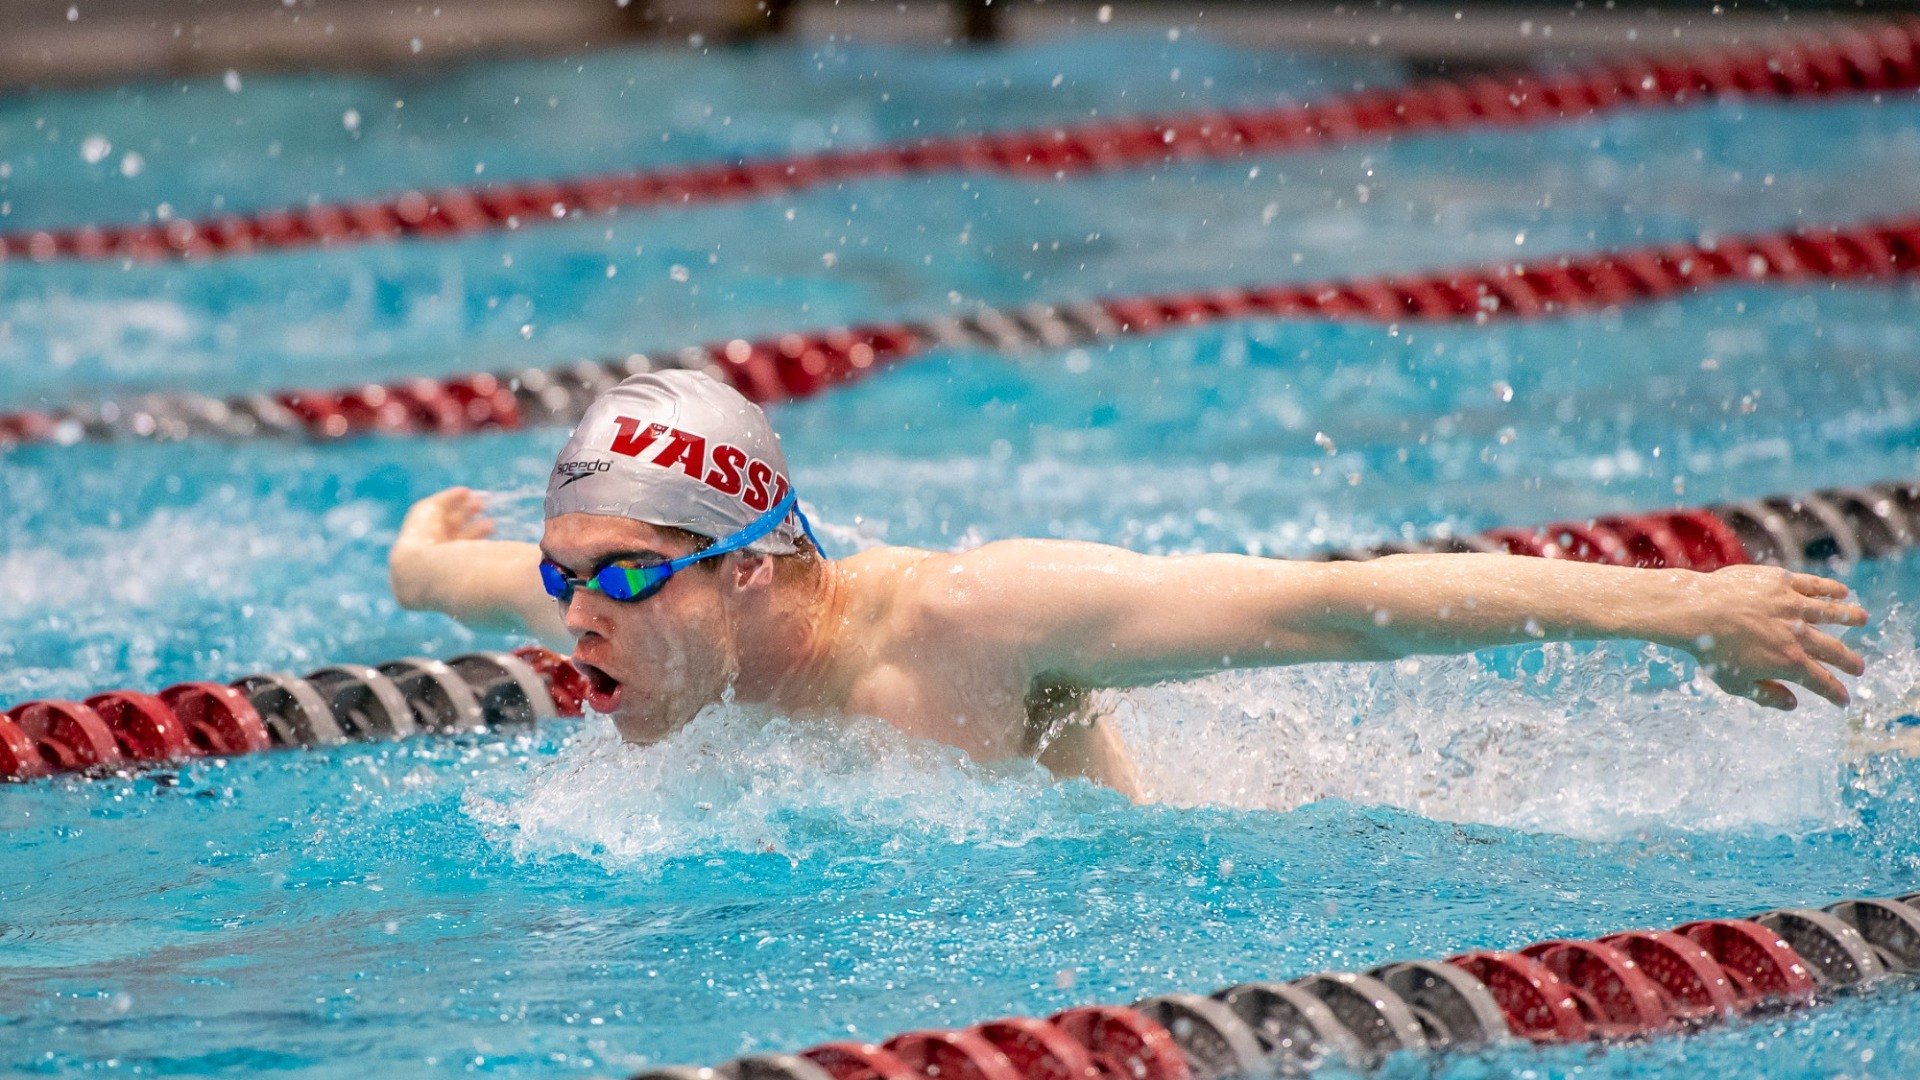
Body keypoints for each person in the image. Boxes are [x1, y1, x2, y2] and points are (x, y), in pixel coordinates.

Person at [389, 370, 1868, 800]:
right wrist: (419, 546)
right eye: (562, 573)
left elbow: (1332, 608)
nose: (575, 615)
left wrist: (1690, 610)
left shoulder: (973, 622)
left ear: (760, 565)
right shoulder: (621, 618)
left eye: (628, 576)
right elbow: (439, 577)